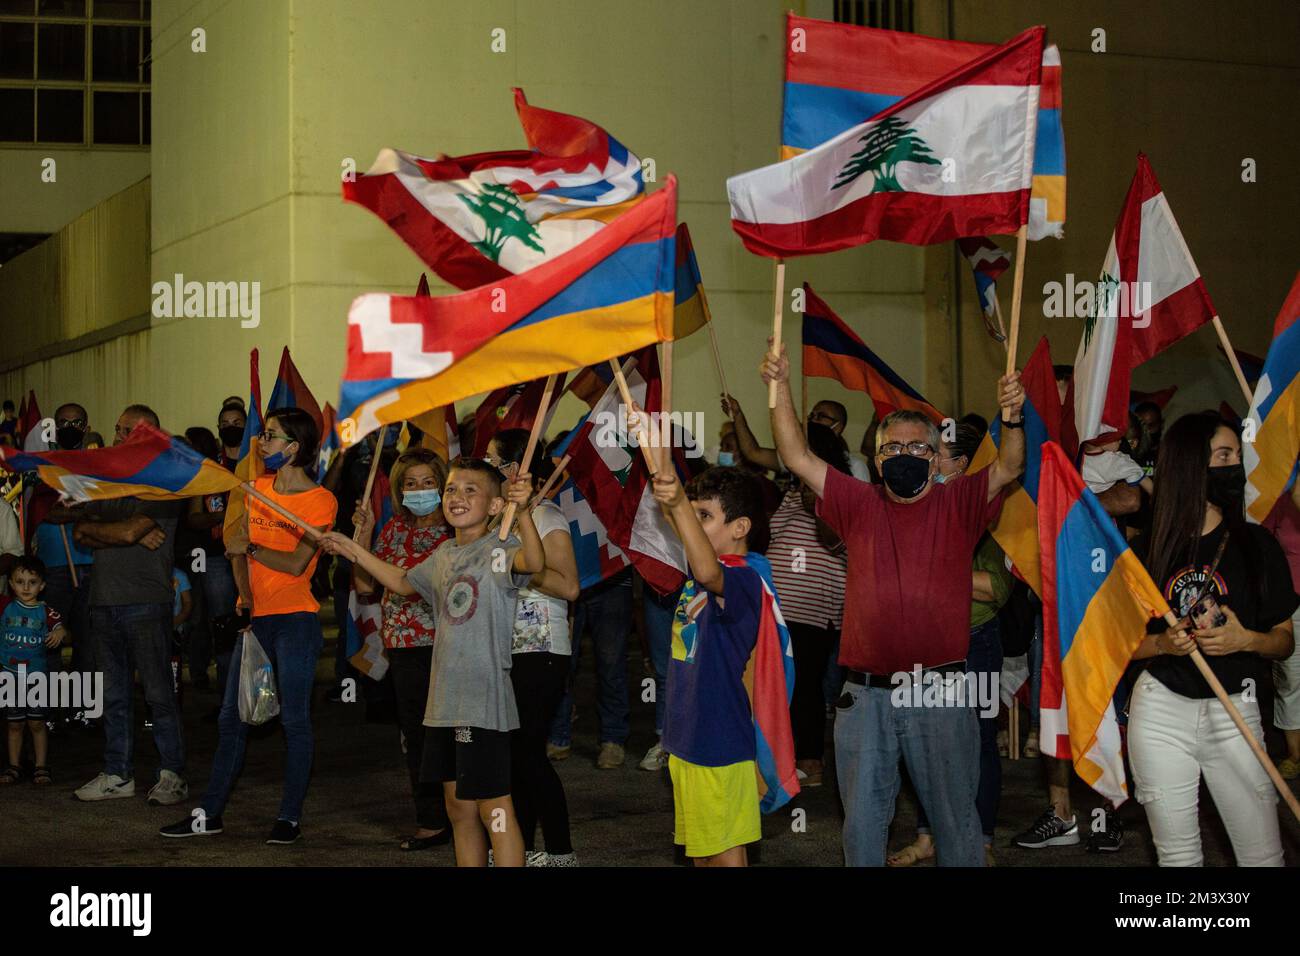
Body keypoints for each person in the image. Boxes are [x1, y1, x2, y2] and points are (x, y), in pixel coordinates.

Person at [763, 337, 1026, 867]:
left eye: (915, 448)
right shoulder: (857, 503)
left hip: (942, 692)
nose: (903, 457)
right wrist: (779, 387)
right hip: (865, 699)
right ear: (876, 461)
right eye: (891, 450)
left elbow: (1010, 468)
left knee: (956, 822)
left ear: (934, 458)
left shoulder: (961, 502)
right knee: (862, 827)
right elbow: (795, 454)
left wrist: (1013, 417)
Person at [320, 456, 543, 867]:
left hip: (482, 701)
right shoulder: (443, 554)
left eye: (470, 490)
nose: (456, 497)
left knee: (493, 808)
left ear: (496, 506)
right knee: (458, 807)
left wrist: (524, 511)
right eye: (452, 489)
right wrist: (353, 547)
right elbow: (404, 582)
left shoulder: (499, 549)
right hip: (443, 702)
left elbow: (534, 562)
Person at [160, 407, 338, 845]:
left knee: (295, 720)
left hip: (296, 621)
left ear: (294, 448)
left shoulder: (321, 501)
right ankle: (209, 812)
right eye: (263, 433)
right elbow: (236, 553)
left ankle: (289, 818)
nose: (261, 441)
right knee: (231, 718)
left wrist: (250, 546)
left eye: (271, 435)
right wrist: (245, 601)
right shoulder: (253, 488)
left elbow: (297, 563)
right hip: (256, 622)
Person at [1127, 412, 1296, 866]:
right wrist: (1164, 645)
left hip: (1235, 711)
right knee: (1177, 857)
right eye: (1223, 456)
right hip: (1160, 711)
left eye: (1237, 458)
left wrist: (1248, 640)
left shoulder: (1257, 545)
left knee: (1262, 856)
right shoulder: (1146, 551)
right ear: (1190, 466)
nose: (1234, 467)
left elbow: (1284, 641)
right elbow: (1119, 645)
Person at [888, 423, 1011, 866]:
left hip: (974, 642)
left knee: (977, 739)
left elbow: (995, 587)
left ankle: (980, 840)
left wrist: (928, 567)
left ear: (962, 465)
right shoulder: (914, 503)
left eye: (937, 453)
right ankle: (927, 836)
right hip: (923, 644)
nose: (927, 461)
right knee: (921, 741)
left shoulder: (983, 508)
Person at [649, 463, 772, 866]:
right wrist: (653, 451)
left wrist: (681, 503)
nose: (692, 524)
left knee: (725, 856)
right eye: (695, 513)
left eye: (706, 516)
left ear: (740, 527)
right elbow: (671, 514)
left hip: (720, 742)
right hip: (686, 740)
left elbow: (706, 568)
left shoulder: (745, 579)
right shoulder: (698, 579)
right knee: (702, 855)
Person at [72, 405, 188, 806]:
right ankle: (118, 773)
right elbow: (80, 533)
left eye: (126, 432)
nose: (117, 438)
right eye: (117, 430)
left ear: (149, 434)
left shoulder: (165, 481)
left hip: (146, 601)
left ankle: (172, 773)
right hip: (103, 599)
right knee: (114, 695)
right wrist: (116, 533)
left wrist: (117, 532)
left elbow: (128, 530)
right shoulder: (108, 480)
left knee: (158, 693)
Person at [351, 447, 453, 851]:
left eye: (429, 482)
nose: (420, 490)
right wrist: (363, 535)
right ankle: (430, 820)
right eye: (411, 483)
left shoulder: (457, 529)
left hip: (451, 645)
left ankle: (467, 814)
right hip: (405, 647)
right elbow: (364, 587)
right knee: (418, 735)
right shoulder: (393, 529)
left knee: (457, 733)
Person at [488, 429, 581, 865]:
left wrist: (522, 567)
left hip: (540, 648)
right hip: (502, 651)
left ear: (512, 469)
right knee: (513, 757)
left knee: (527, 751)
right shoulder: (494, 520)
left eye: (492, 461)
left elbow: (569, 586)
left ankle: (560, 851)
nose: (485, 469)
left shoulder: (546, 518)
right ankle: (520, 851)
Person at [767, 423, 849, 788]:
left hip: (813, 606)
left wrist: (816, 504)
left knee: (805, 686)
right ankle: (781, 759)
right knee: (779, 685)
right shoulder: (789, 493)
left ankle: (811, 759)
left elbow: (838, 541)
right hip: (777, 605)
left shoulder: (840, 491)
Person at [186, 401, 245, 696]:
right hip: (216, 559)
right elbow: (194, 518)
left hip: (254, 556)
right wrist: (226, 516)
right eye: (226, 423)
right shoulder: (208, 470)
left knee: (255, 623)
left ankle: (256, 696)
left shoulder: (256, 466)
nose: (231, 428)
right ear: (218, 427)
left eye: (238, 422)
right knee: (222, 626)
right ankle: (227, 697)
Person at [0, 556, 67, 785]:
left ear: (42, 585)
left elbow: (61, 628)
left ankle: (41, 766)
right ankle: (14, 766)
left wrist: (59, 633)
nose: (26, 587)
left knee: (36, 723)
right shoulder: (5, 607)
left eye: (32, 582)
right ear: (10, 583)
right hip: (9, 676)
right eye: (20, 581)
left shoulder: (46, 611)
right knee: (14, 723)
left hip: (36, 677)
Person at [723, 393, 873, 482]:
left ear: (838, 427)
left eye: (821, 417)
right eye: (811, 415)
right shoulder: (796, 459)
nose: (812, 421)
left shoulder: (855, 467)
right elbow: (753, 453)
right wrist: (737, 415)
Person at [1263, 491, 1300, 780]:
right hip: (1292, 603)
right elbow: (1261, 545)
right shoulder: (1280, 495)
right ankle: (1294, 754)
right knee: (1291, 678)